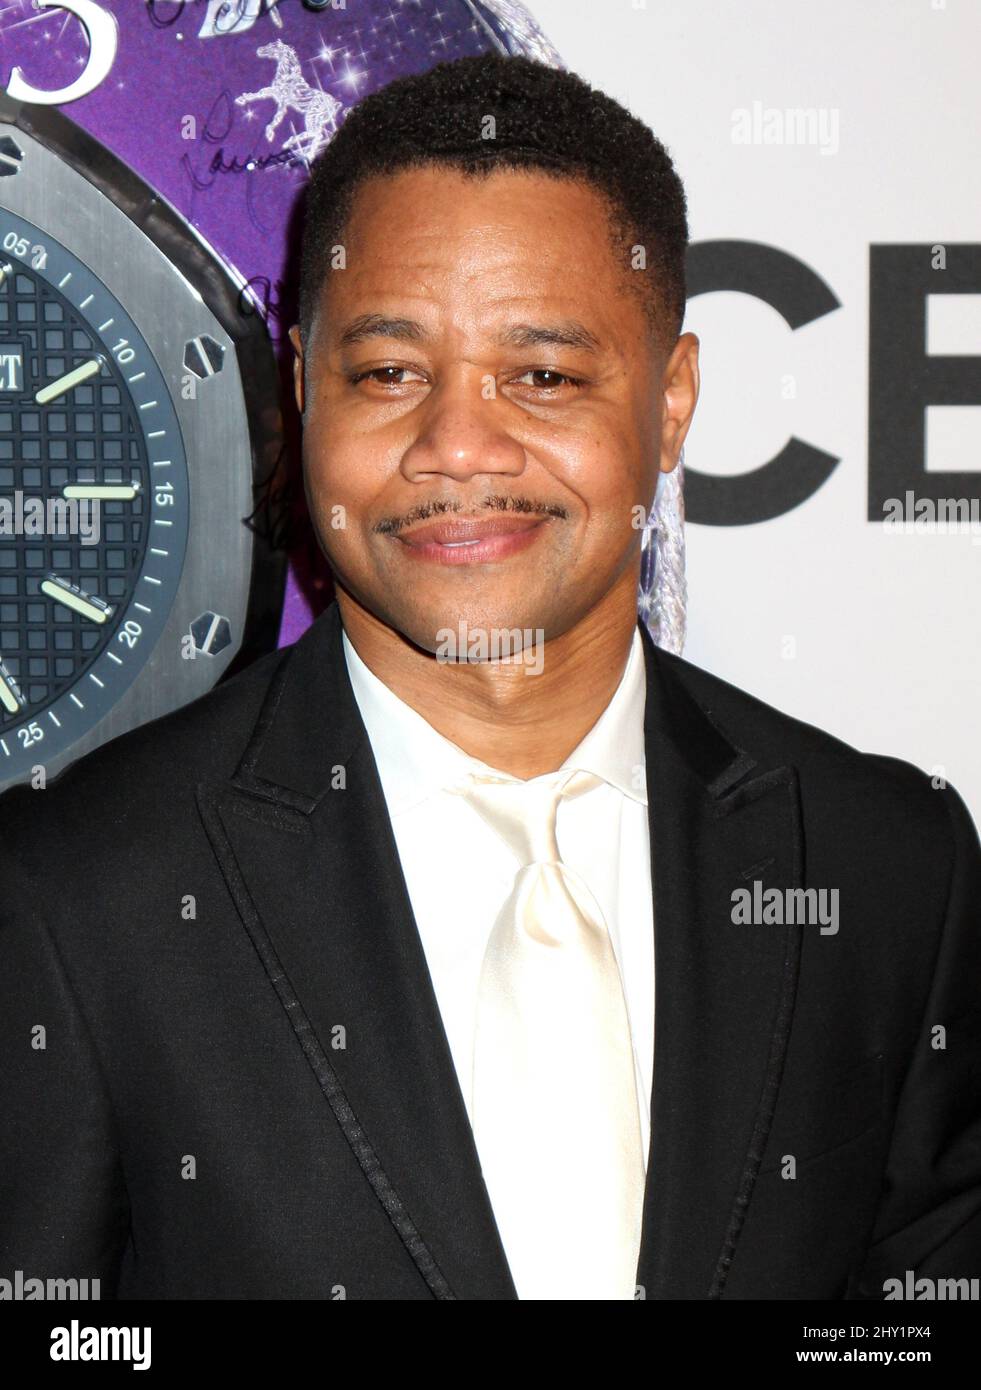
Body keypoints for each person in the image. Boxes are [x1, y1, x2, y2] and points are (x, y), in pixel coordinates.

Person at [1, 52, 978, 1302]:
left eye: (545, 376)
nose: (457, 445)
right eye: (390, 373)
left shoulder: (888, 866)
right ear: (303, 389)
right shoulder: (76, 899)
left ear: (672, 402)